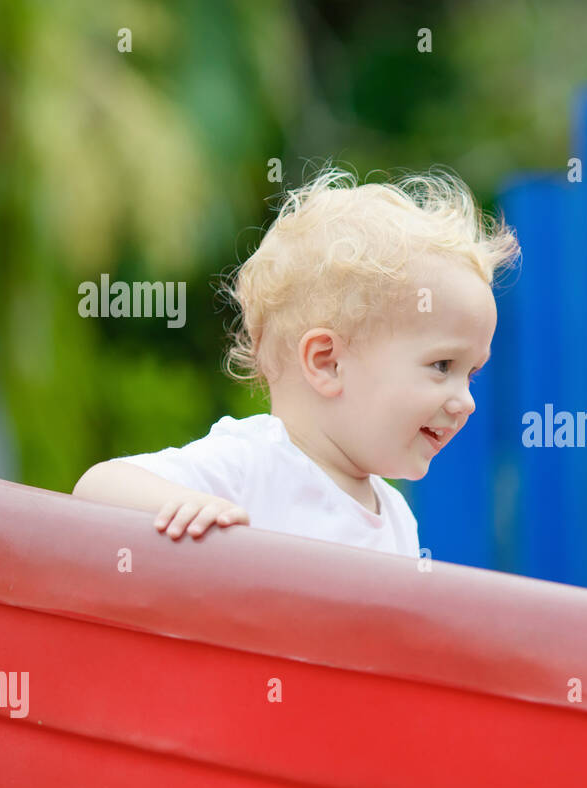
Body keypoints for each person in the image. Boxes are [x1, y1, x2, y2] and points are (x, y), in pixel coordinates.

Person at [72, 166, 520, 558]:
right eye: (443, 366)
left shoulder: (397, 517)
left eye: (471, 374)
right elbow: (97, 487)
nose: (466, 401)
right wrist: (186, 506)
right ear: (327, 363)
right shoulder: (254, 464)